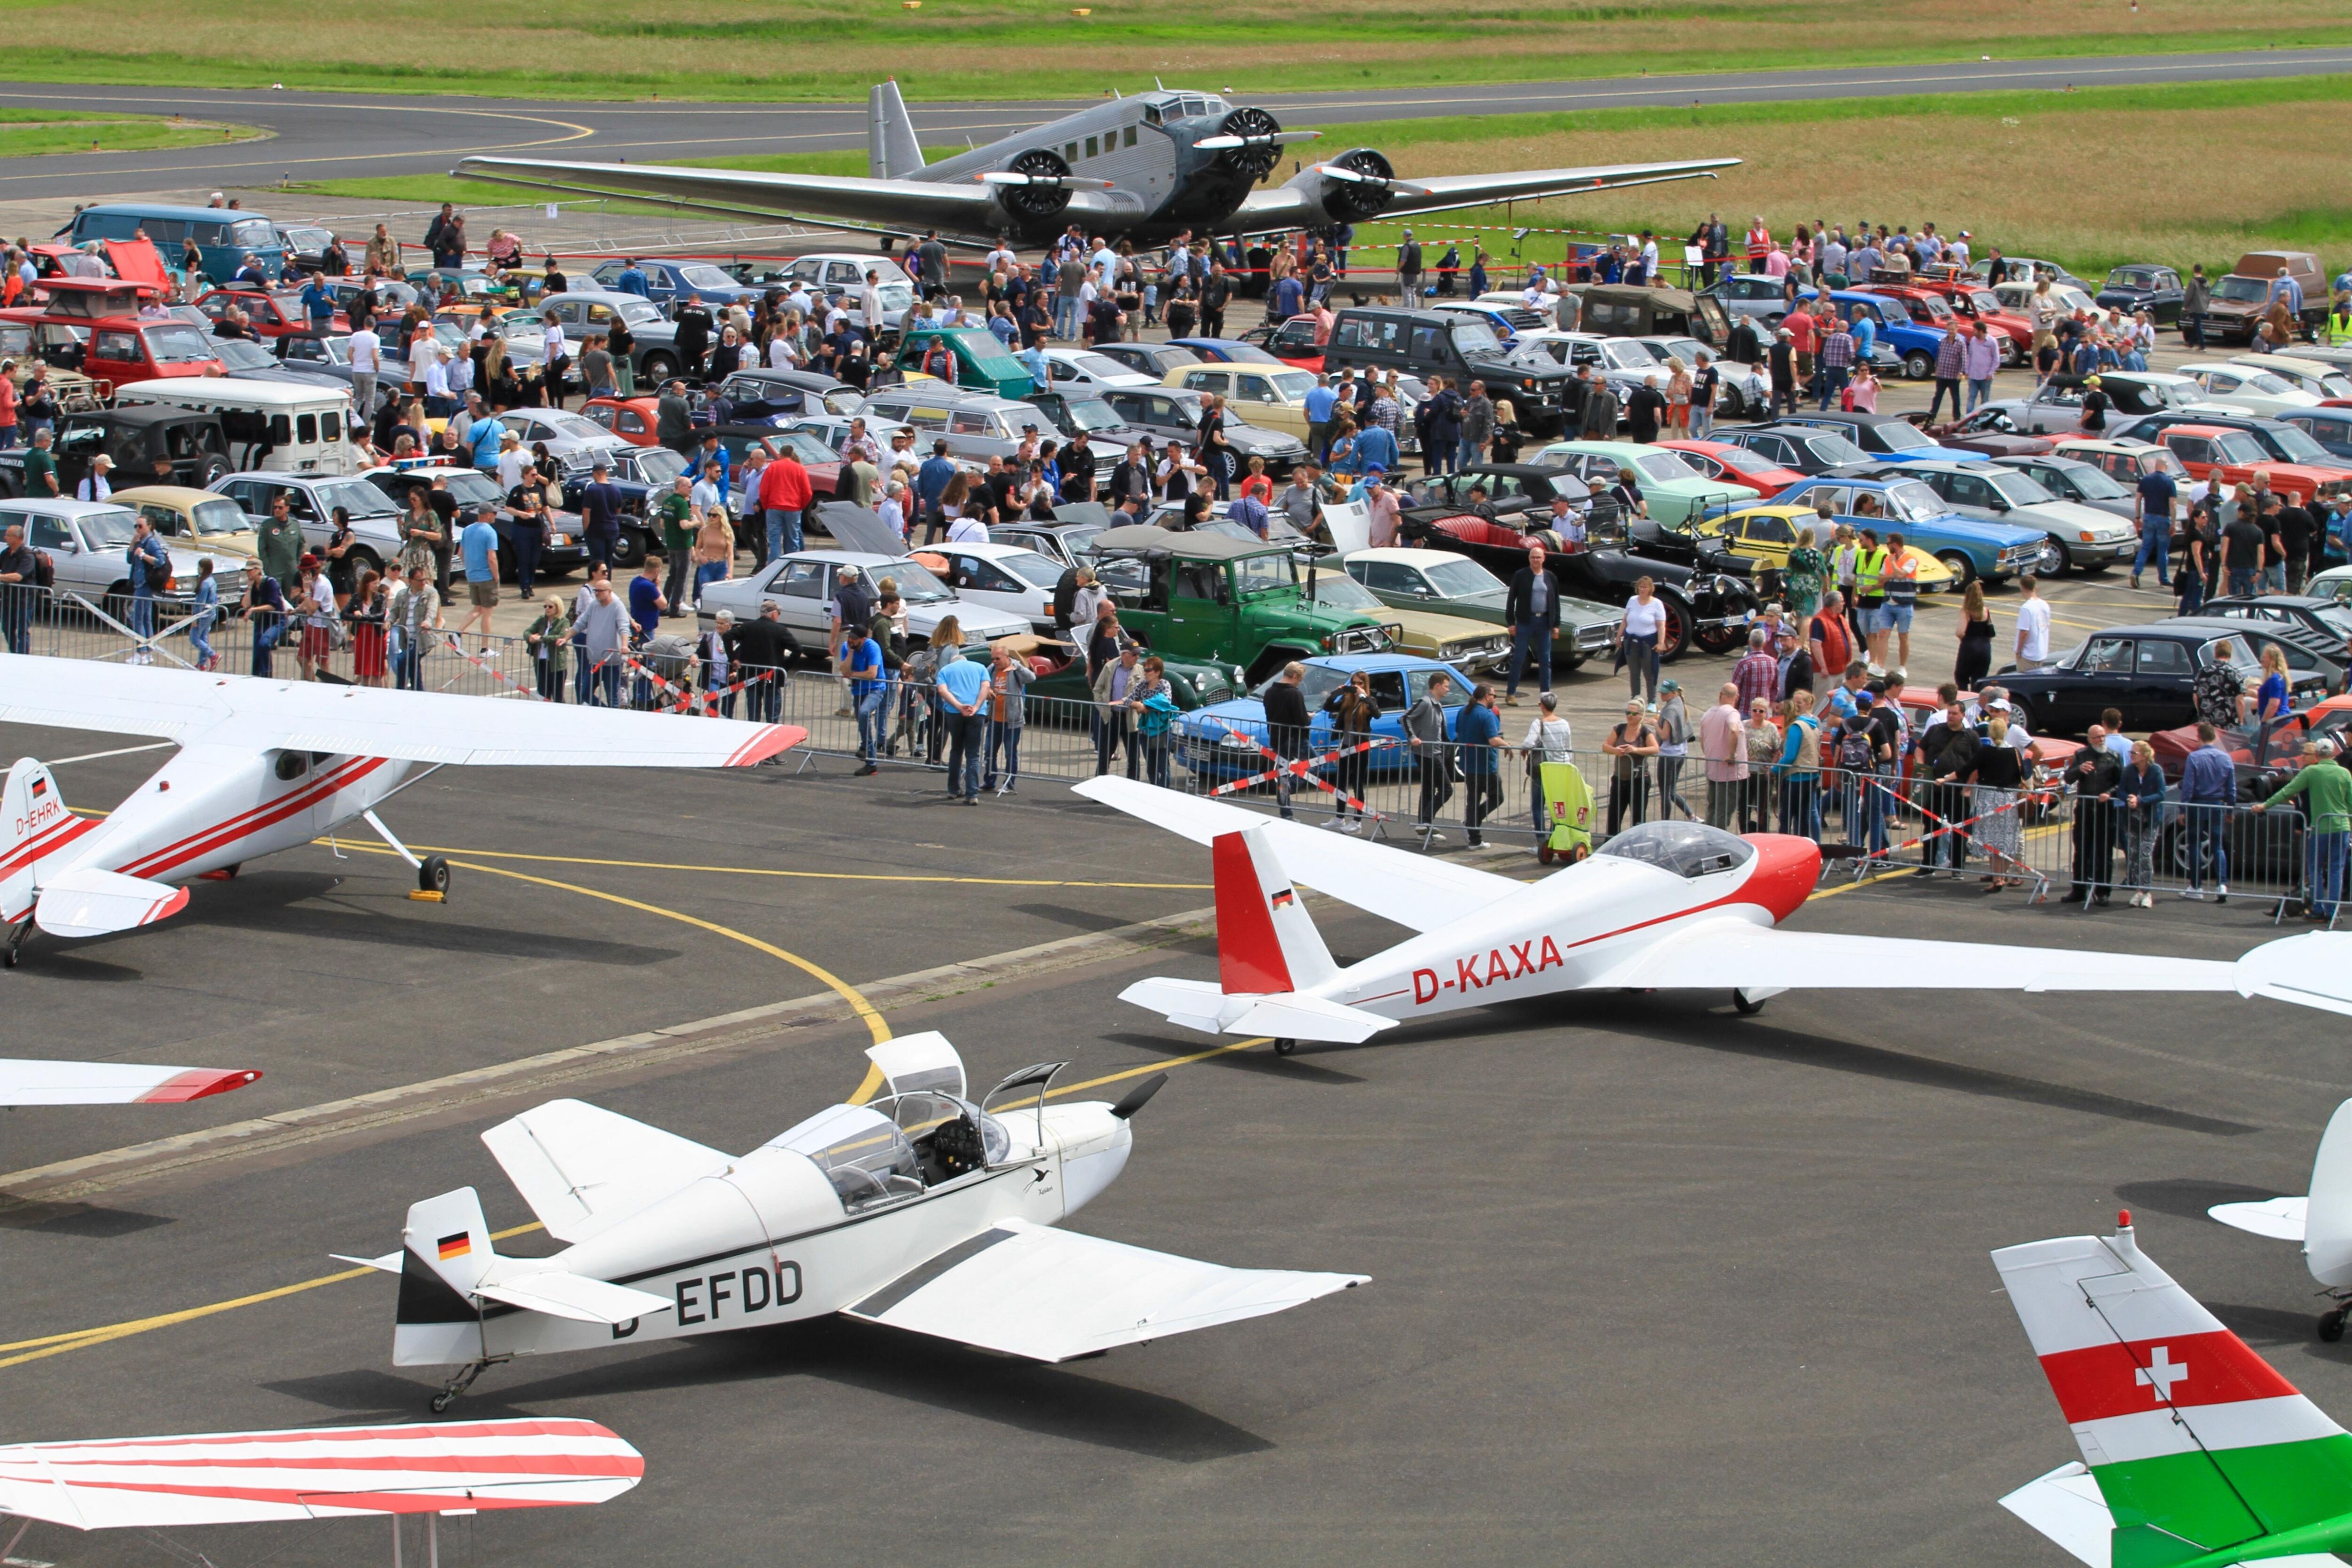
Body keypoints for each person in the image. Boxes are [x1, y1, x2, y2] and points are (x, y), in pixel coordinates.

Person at [2256, 738, 2352, 920]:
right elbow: (2351, 803)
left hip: (2320, 828)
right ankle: (2332, 911)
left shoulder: (2312, 772)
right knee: (2336, 870)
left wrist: (2265, 805)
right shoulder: (2344, 773)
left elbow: (2288, 791)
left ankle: (2318, 908)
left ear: (2317, 755)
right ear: (2332, 754)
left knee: (2315, 869)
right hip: (2342, 826)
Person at [2062, 726, 2123, 904]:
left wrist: (2110, 793)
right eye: (2097, 737)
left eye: (2103, 736)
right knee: (2082, 851)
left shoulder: (2113, 756)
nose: (2101, 740)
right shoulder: (2082, 755)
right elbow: (2068, 778)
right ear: (2089, 739)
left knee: (2104, 852)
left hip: (2105, 811)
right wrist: (2079, 769)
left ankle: (2103, 891)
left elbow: (2121, 783)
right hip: (2085, 809)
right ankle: (2079, 889)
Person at [2179, 721, 2237, 902]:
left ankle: (2196, 886)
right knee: (2218, 845)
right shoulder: (2226, 758)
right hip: (2218, 805)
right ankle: (2222, 884)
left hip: (2198, 804)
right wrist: (2231, 807)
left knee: (2195, 844)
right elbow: (2232, 787)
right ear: (2215, 737)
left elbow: (2188, 786)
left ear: (2199, 738)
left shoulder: (2194, 758)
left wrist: (2183, 808)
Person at [935, 629, 989, 802]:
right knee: (973, 754)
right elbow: (985, 689)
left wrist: (958, 706)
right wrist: (976, 706)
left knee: (956, 751)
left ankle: (953, 789)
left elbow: (942, 691)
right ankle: (972, 794)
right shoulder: (980, 668)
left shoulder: (945, 671)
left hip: (954, 713)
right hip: (977, 713)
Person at [1503, 544, 1558, 705]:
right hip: (1525, 621)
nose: (1536, 560)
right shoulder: (1521, 575)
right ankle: (1511, 693)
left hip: (1544, 622)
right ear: (1529, 559)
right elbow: (1511, 599)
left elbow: (1556, 602)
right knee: (1519, 658)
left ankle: (1545, 696)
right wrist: (1511, 623)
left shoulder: (1550, 577)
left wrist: (1556, 624)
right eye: (1533, 557)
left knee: (1545, 660)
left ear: (1544, 559)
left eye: (1538, 557)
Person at [1456, 681, 1505, 847]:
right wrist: (1508, 746)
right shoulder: (1487, 715)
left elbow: (1459, 733)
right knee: (1497, 797)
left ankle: (1474, 838)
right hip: (1485, 765)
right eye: (1494, 696)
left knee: (1473, 799)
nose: (1495, 699)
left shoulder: (1463, 711)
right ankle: (1472, 823)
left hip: (1468, 764)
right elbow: (1493, 739)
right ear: (1487, 696)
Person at [1263, 660, 1312, 822]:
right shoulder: (1294, 694)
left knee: (1282, 772)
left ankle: (1286, 813)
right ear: (1294, 676)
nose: (1300, 683)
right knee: (1315, 763)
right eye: (1300, 679)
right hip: (1295, 737)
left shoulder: (1270, 692)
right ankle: (1291, 785)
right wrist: (1309, 717)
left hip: (1277, 737)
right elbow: (1302, 721)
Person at [1407, 671, 1455, 837]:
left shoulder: (1436, 704)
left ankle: (1424, 826)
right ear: (1437, 686)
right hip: (1428, 753)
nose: (1448, 690)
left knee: (1428, 788)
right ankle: (1426, 821)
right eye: (1446, 687)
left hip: (1435, 751)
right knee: (1447, 789)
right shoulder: (1426, 702)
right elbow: (1406, 718)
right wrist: (1413, 737)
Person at [1603, 698, 1660, 835]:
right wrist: (1616, 751)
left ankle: (1638, 843)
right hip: (1619, 779)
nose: (1630, 716)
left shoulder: (1645, 732)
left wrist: (1635, 750)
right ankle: (1611, 842)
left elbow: (1655, 749)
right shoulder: (1620, 729)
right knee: (1614, 815)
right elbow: (1605, 746)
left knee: (1638, 817)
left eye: (1633, 714)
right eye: (1627, 713)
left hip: (1639, 779)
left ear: (1641, 715)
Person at [453, 504, 501, 643]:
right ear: (488, 515)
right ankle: (485, 647)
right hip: (486, 577)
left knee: (477, 608)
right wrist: (496, 577)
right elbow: (492, 558)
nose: (495, 516)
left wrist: (470, 567)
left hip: (472, 575)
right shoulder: (490, 532)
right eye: (494, 513)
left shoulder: (467, 530)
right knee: (487, 612)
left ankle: (458, 631)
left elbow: (461, 553)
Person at [1617, 575, 1666, 703]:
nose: (1642, 589)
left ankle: (1652, 701)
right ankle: (1635, 698)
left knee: (1649, 674)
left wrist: (1661, 643)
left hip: (1647, 643)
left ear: (1651, 589)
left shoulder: (1657, 604)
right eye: (1640, 587)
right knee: (1634, 673)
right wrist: (1618, 637)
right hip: (1631, 641)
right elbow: (1625, 620)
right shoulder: (1632, 600)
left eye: (1645, 587)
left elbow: (1661, 626)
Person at [524, 593, 571, 703]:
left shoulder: (564, 622)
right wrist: (530, 637)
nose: (547, 609)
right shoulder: (542, 620)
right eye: (545, 606)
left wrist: (541, 638)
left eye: (550, 607)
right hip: (541, 662)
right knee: (543, 694)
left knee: (558, 694)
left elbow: (561, 636)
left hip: (557, 663)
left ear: (557, 608)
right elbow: (527, 631)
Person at [2010, 574, 2050, 671]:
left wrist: (2019, 651)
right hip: (2041, 652)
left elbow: (2024, 632)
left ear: (2022, 588)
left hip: (2029, 655)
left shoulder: (2026, 608)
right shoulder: (2044, 605)